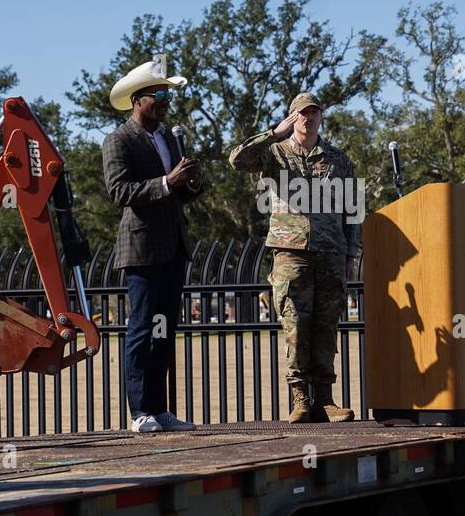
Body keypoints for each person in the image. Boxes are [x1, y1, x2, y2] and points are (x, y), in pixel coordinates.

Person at [228, 91, 359, 423]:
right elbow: (237, 160)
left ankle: (325, 400)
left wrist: (350, 253)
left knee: (326, 325)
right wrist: (274, 133)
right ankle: (301, 398)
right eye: (302, 113)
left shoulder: (339, 159)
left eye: (314, 112)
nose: (308, 118)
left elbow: (353, 209)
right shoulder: (275, 153)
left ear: (320, 117)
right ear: (292, 117)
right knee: (296, 325)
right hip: (290, 250)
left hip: (330, 251)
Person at [102, 60, 204, 433]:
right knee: (142, 329)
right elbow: (119, 192)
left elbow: (181, 194)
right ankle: (140, 412)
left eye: (168, 95)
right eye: (159, 95)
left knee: (163, 330)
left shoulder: (169, 137)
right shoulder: (118, 139)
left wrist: (192, 182)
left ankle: (161, 411)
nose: (165, 101)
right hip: (142, 249)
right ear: (137, 99)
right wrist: (166, 181)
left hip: (174, 246)